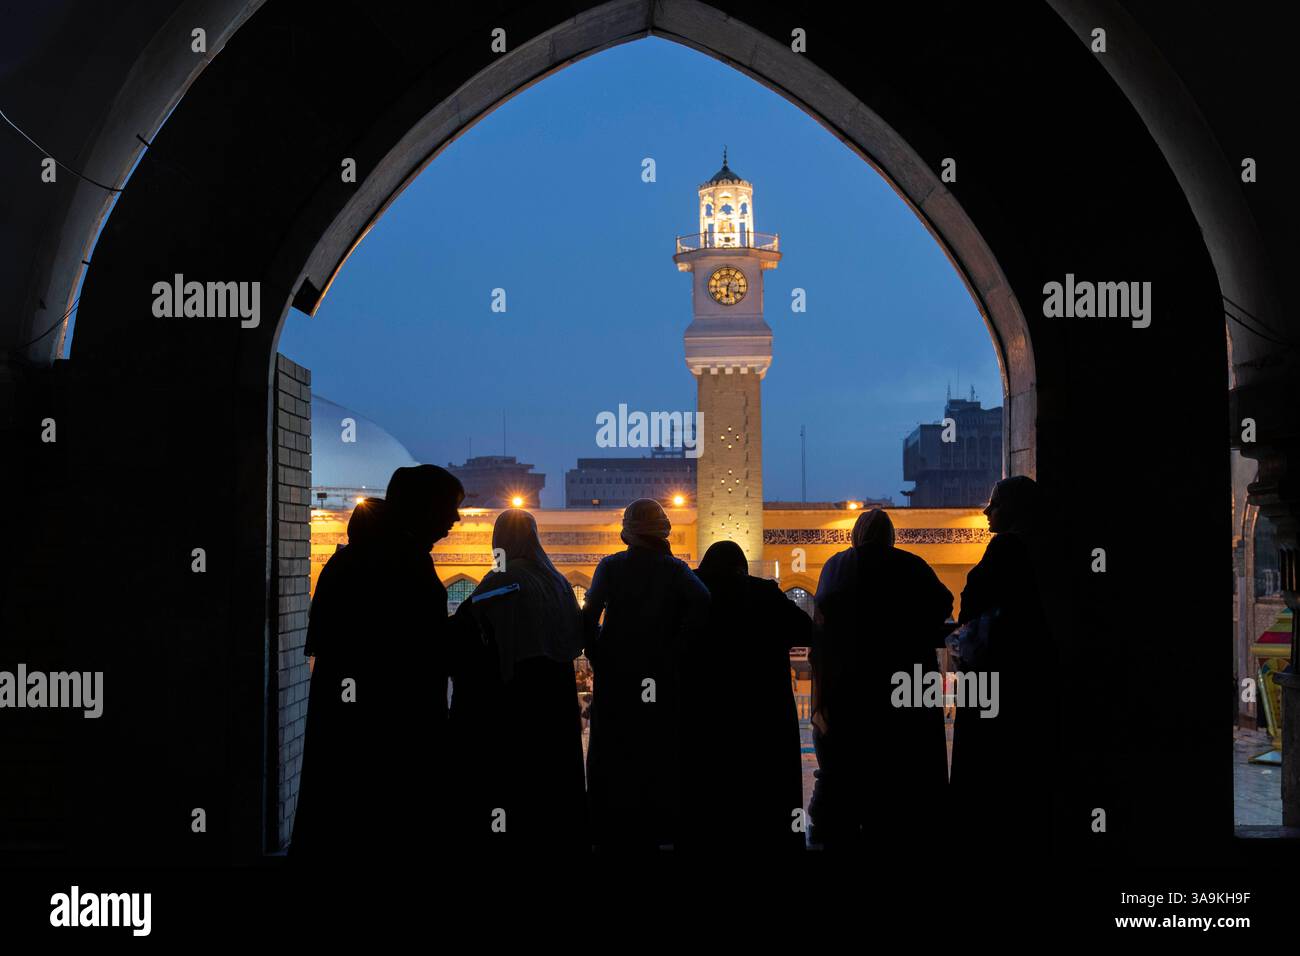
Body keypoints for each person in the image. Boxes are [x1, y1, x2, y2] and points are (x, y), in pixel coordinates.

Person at [290, 464, 464, 861]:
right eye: (449, 507)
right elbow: (404, 646)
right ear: (424, 506)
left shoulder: (365, 556)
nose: (455, 519)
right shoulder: (396, 560)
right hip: (386, 728)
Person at [809, 508, 953, 850]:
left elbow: (824, 617)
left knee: (847, 773)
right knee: (901, 778)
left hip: (849, 689)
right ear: (890, 536)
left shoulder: (836, 566)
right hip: (903, 688)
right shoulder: (910, 565)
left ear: (856, 535)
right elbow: (943, 604)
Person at [449, 508, 587, 849]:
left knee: (513, 774)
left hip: (517, 689)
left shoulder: (502, 578)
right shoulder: (558, 582)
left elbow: (464, 627)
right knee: (551, 772)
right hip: (555, 686)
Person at [581, 498, 710, 850]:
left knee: (612, 749)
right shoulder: (674, 570)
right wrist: (677, 649)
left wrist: (598, 654)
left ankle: (610, 826)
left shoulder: (610, 567)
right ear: (662, 528)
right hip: (659, 676)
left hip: (617, 677)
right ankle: (658, 826)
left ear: (628, 530)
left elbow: (588, 618)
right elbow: (703, 605)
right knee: (658, 746)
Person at [949, 475, 1054, 853]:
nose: (986, 511)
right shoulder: (1046, 548)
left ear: (1014, 509)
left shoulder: (1007, 546)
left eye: (995, 504)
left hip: (998, 677)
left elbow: (970, 598)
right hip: (1031, 677)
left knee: (988, 770)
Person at [691, 540, 811, 852]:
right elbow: (807, 630)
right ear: (741, 567)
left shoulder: (690, 591)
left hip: (706, 715)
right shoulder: (763, 593)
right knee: (764, 801)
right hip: (762, 717)